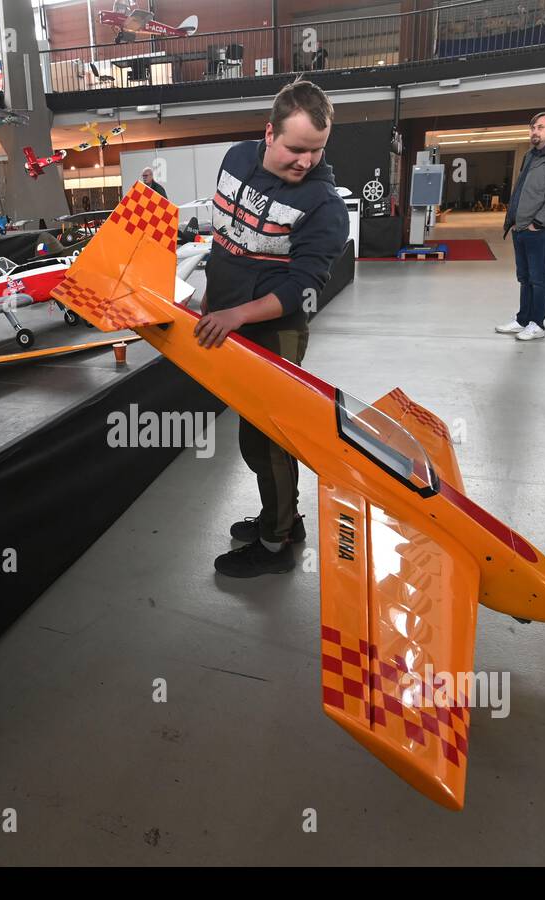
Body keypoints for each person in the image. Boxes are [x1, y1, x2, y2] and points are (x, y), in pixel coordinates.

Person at [194, 78, 350, 578]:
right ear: (268, 133)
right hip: (226, 319)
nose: (307, 161)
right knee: (257, 437)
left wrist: (237, 314)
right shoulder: (236, 159)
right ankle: (285, 518)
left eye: (317, 150)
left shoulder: (324, 207)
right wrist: (213, 299)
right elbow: (226, 240)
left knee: (268, 440)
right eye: (296, 148)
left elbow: (302, 289)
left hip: (274, 332)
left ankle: (277, 542)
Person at [496, 111, 545, 341]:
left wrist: (539, 222)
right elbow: (522, 188)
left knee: (538, 278)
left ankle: (537, 324)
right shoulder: (531, 155)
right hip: (521, 226)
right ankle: (522, 320)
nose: (535, 132)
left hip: (539, 228)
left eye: (540, 127)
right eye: (532, 128)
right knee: (525, 277)